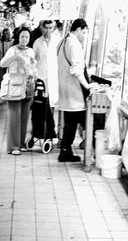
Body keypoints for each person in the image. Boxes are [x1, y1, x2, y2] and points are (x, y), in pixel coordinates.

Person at [56, 18, 95, 162]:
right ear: (78, 29)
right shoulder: (75, 44)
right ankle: (66, 152)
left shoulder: (63, 41)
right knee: (73, 122)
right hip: (74, 90)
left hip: (64, 88)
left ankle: (65, 150)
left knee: (69, 122)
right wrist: (87, 85)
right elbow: (76, 70)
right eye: (84, 32)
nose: (84, 35)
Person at [0, 26, 37, 155]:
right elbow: (2, 63)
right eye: (22, 36)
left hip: (28, 86)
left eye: (27, 36)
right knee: (14, 116)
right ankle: (13, 146)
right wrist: (15, 57)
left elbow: (33, 67)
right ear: (18, 37)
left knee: (24, 116)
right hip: (15, 86)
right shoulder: (12, 50)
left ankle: (21, 143)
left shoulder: (31, 51)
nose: (24, 39)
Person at [32, 19, 57, 140]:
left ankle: (51, 131)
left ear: (53, 28)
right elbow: (33, 61)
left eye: (51, 28)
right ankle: (42, 130)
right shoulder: (37, 42)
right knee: (42, 105)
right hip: (41, 78)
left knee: (52, 104)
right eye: (46, 28)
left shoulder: (57, 41)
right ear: (42, 28)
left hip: (53, 77)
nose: (48, 30)